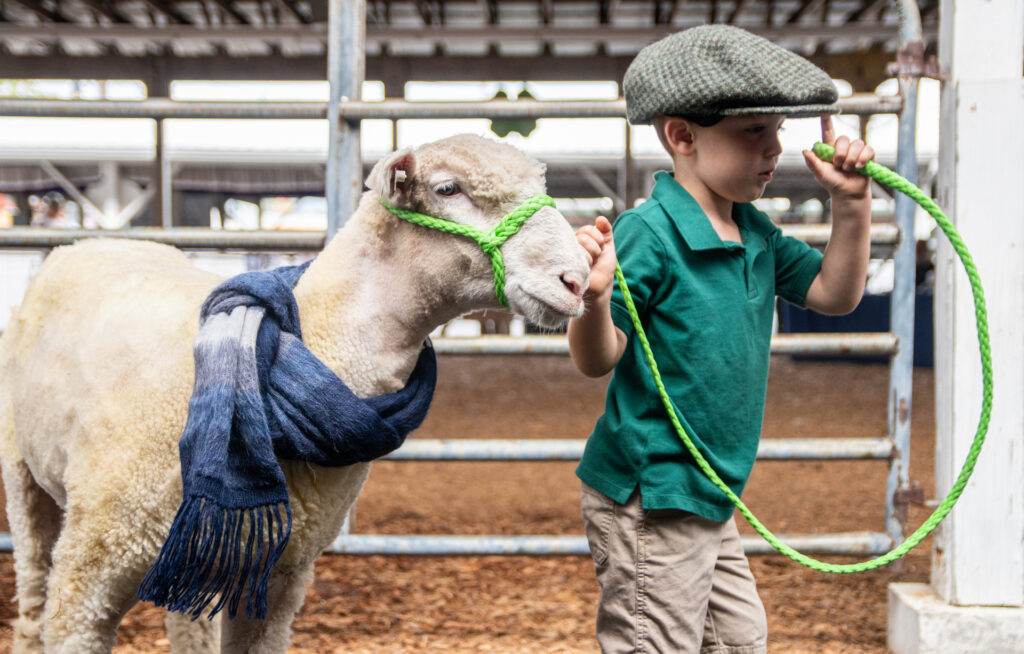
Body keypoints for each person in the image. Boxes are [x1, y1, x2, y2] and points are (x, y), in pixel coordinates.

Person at [568, 24, 875, 654]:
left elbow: (833, 294)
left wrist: (851, 207)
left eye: (777, 131)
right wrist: (594, 300)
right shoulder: (649, 234)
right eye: (753, 132)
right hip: (652, 496)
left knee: (740, 640)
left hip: (709, 493)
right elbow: (596, 359)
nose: (774, 149)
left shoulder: (752, 230)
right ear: (682, 136)